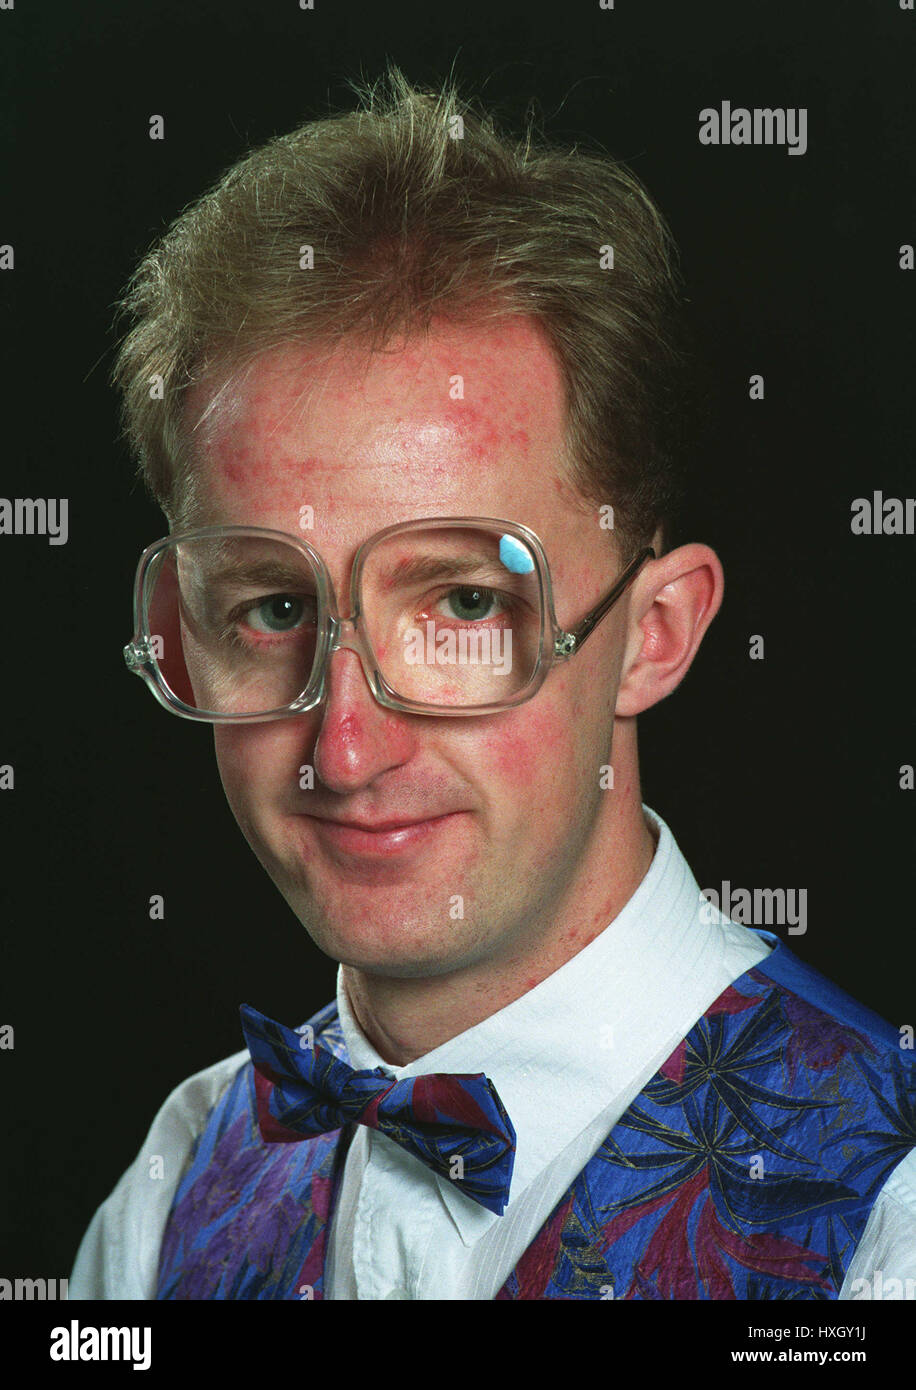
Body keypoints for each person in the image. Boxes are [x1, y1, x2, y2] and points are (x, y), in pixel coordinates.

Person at [71, 66, 915, 1301]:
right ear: (179, 632)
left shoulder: (887, 1215)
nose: (345, 750)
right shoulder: (173, 1185)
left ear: (653, 631)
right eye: (274, 607)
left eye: (464, 602)